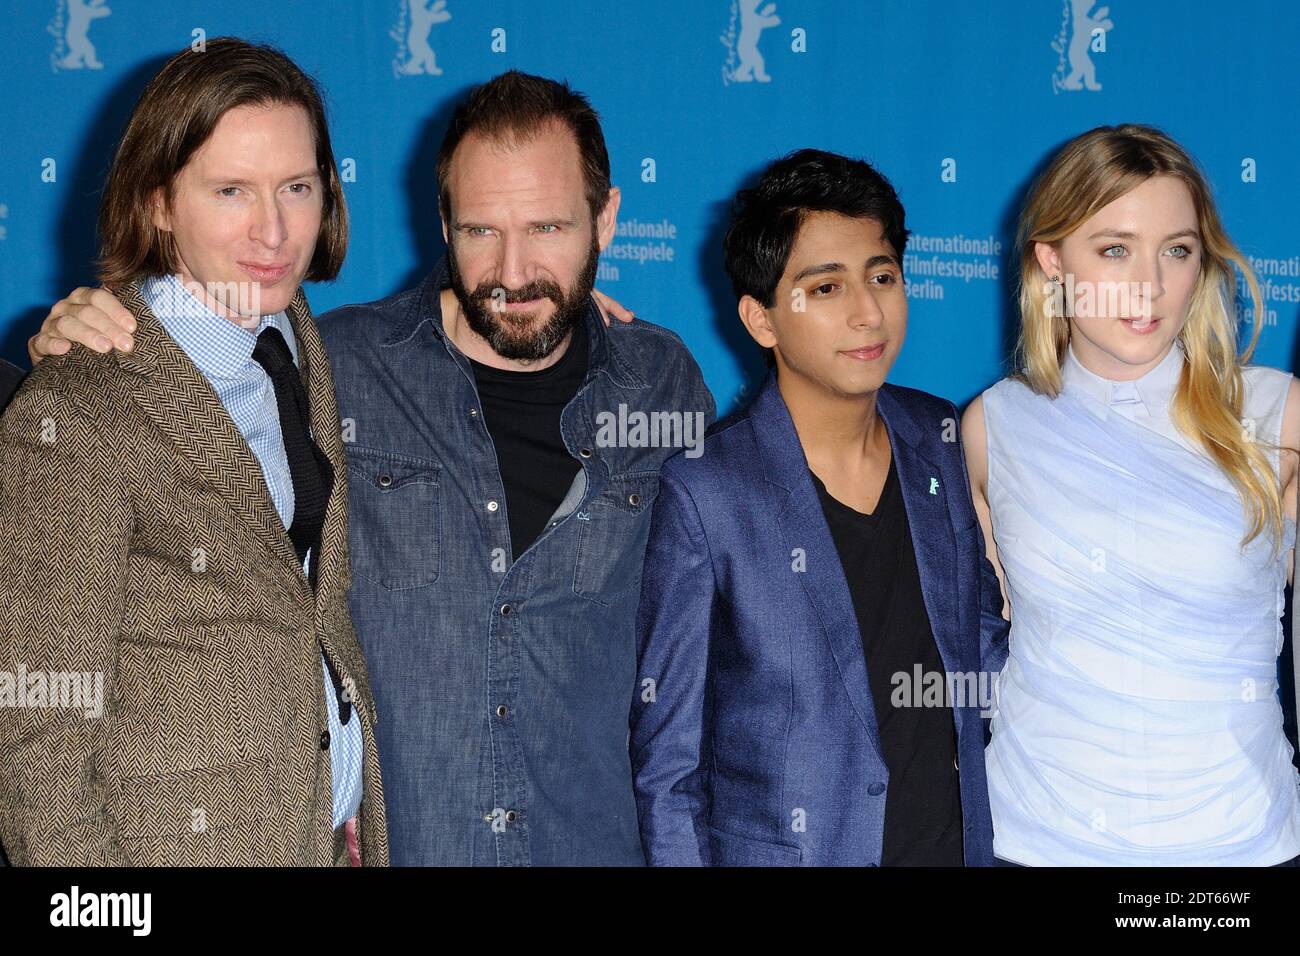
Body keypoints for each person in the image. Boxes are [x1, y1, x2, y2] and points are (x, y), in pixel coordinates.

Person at [29, 70, 714, 866]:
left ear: (607, 219)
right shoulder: (335, 365)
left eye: (551, 229)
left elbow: (699, 662)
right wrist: (85, 332)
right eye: (481, 230)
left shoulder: (661, 384)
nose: (514, 270)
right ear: (442, 222)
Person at [0, 39, 388, 866]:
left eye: (296, 187)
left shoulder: (294, 334)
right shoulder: (79, 411)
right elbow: (33, 738)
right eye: (229, 192)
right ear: (159, 203)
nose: (274, 230)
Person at [631, 149, 1008, 866]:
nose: (868, 312)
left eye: (883, 277)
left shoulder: (939, 437)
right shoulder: (707, 492)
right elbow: (669, 770)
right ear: (762, 319)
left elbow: (984, 643)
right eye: (826, 288)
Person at [962, 123, 1300, 866]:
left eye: (1176, 250)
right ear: (1052, 260)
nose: (1150, 284)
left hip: (1241, 847)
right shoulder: (993, 426)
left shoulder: (1277, 414)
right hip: (1039, 841)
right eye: (1114, 249)